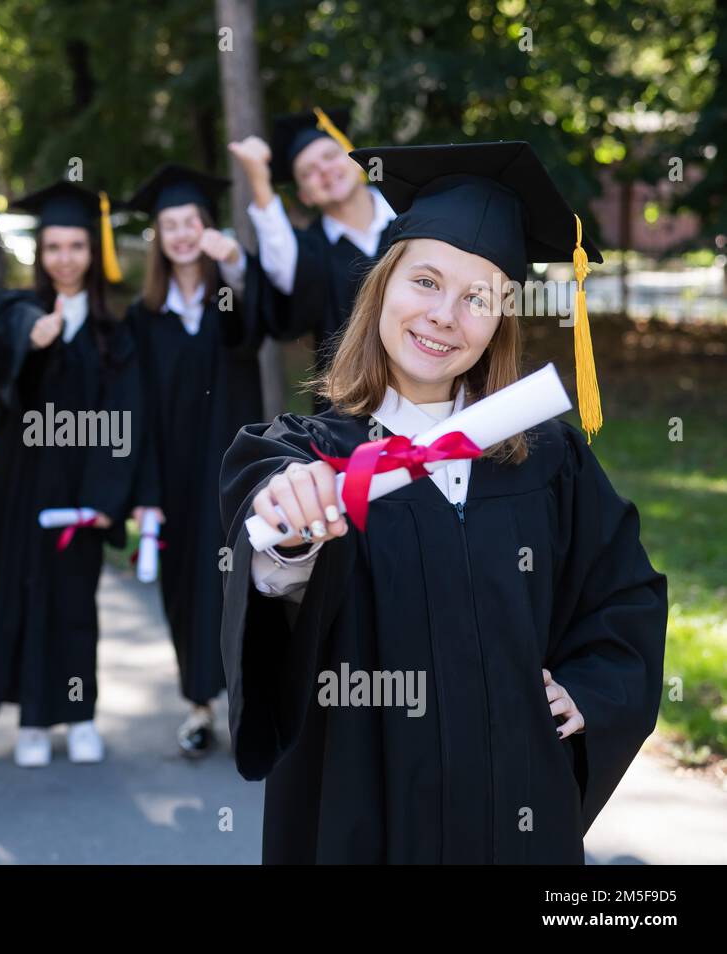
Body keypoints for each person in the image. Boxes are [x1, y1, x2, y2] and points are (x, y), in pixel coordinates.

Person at [220, 140, 667, 863]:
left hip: (513, 809)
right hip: (362, 811)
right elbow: (268, 584)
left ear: (502, 320)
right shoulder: (305, 455)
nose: (444, 316)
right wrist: (288, 536)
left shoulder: (548, 457)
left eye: (478, 297)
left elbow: (625, 596)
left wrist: (593, 691)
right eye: (425, 282)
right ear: (384, 287)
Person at [0, 179, 140, 768]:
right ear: (40, 255)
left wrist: (108, 494)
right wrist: (36, 339)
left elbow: (126, 416)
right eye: (54, 247)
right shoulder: (19, 308)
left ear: (93, 253)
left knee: (76, 602)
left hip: (85, 486)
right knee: (28, 594)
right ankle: (33, 719)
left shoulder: (116, 333)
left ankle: (81, 714)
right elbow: (12, 346)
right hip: (28, 484)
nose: (65, 258)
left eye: (76, 247)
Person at [122, 165, 265, 757]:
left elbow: (248, 336)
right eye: (170, 225)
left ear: (207, 228)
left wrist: (233, 263)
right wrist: (145, 489)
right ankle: (199, 707)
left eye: (192, 222)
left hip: (235, 469)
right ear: (158, 236)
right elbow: (136, 405)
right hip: (176, 474)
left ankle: (250, 705)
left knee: (244, 584)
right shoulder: (144, 315)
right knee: (187, 589)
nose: (181, 234)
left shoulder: (229, 294)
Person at [229, 108, 395, 404]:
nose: (324, 171)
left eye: (330, 156)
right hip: (351, 405)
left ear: (354, 160)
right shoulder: (310, 250)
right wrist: (259, 180)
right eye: (308, 172)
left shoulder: (410, 217)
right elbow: (281, 265)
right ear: (305, 195)